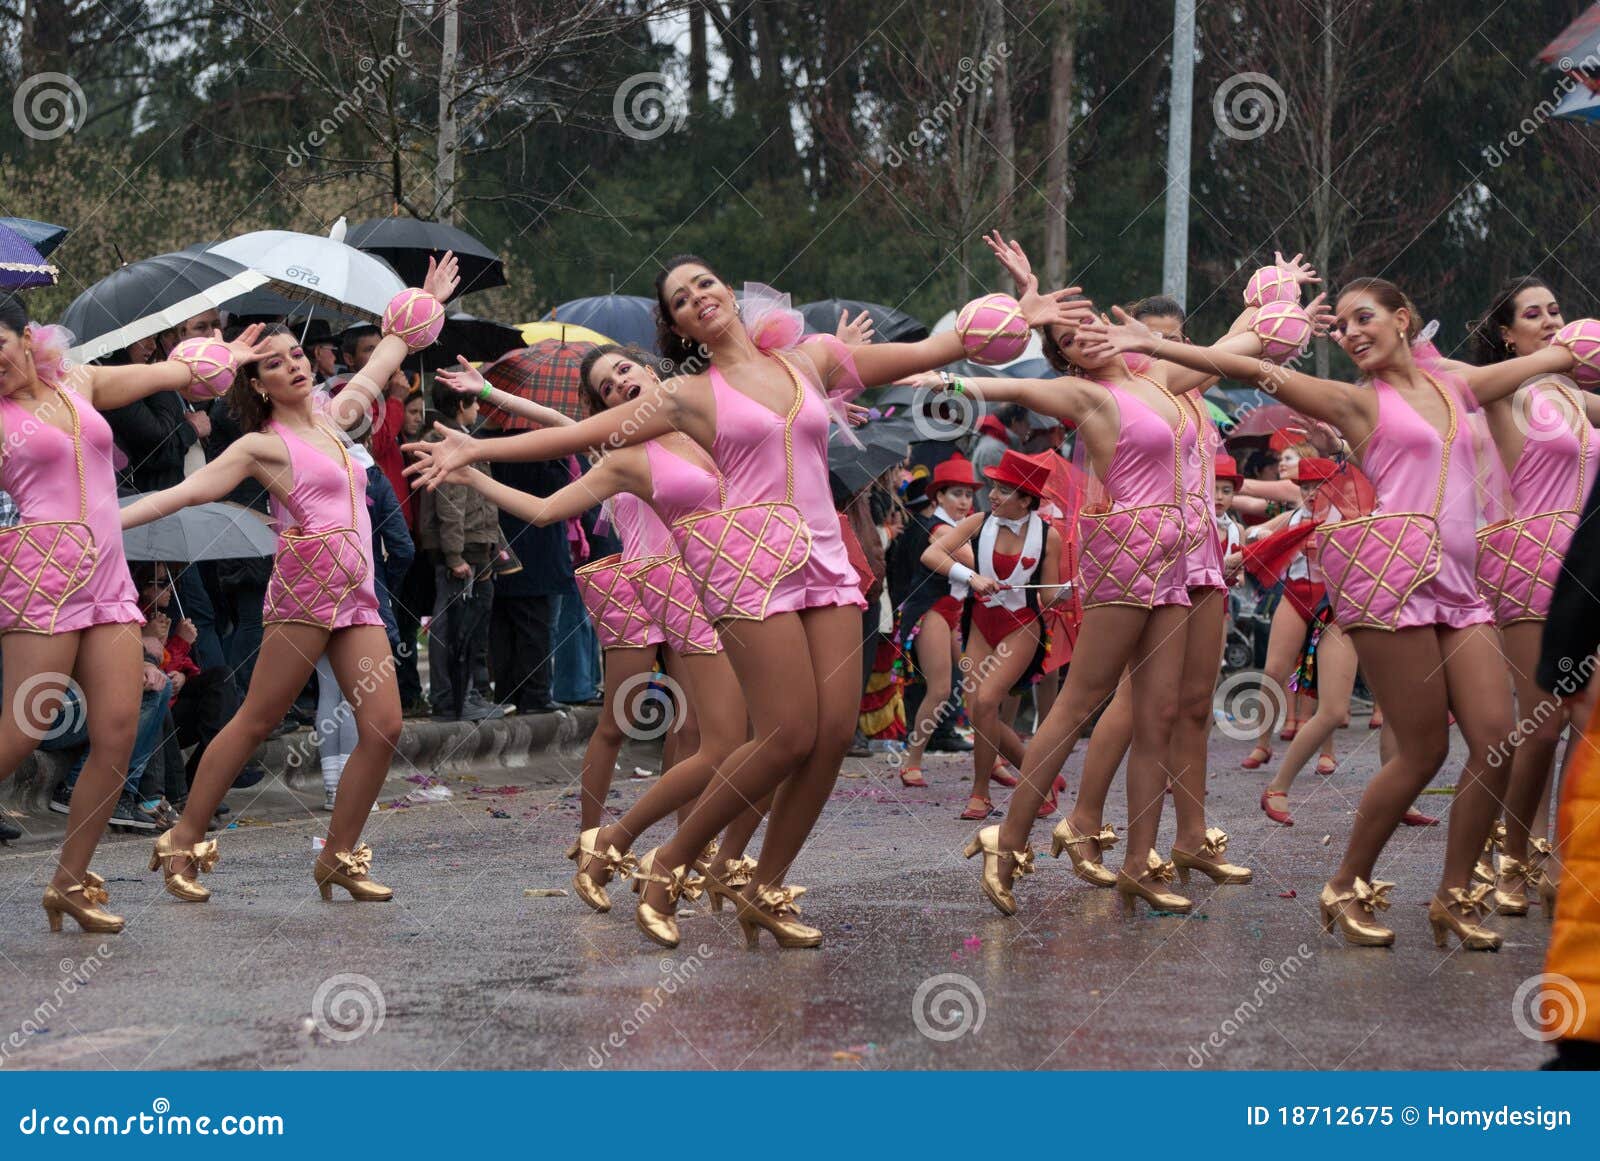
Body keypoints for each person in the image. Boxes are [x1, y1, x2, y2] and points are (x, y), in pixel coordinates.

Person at [406, 257, 1081, 948]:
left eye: (705, 283)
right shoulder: (688, 395)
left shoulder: (810, 359)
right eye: (680, 297)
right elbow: (577, 436)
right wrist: (472, 450)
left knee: (829, 738)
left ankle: (762, 885)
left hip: (825, 559)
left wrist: (1014, 323)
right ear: (673, 325)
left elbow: (929, 350)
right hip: (749, 565)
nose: (699, 296)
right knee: (785, 732)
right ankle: (665, 863)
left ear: (729, 293)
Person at [1081, 275, 1581, 949]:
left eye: (1364, 316)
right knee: (1426, 748)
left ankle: (1454, 893)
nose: (1351, 332)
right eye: (1343, 325)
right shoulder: (1353, 402)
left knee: (1495, 738)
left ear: (1403, 318)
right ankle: (1346, 880)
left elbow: (1547, 361)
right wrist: (1158, 345)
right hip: (1395, 585)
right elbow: (1254, 367)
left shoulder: (1458, 386)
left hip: (1462, 587)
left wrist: (1562, 346)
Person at [119, 253, 462, 906]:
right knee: (256, 719)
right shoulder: (263, 444)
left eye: (294, 354)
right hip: (305, 589)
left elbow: (388, 351)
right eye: (273, 363)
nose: (293, 363)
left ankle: (338, 855)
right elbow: (188, 493)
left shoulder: (338, 419)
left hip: (358, 591)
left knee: (384, 724)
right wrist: (107, 517)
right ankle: (183, 838)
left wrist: (425, 299)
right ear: (259, 385)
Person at [426, 347, 752, 916]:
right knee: (618, 720)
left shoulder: (693, 428)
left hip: (700, 580)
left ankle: (686, 847)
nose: (620, 383)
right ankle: (594, 842)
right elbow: (555, 432)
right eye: (605, 386)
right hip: (642, 583)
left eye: (625, 369)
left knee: (695, 724)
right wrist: (485, 400)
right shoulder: (617, 444)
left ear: (653, 372)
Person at [0, 293, 264, 931]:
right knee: (22, 728)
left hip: (107, 572)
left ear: (24, 337)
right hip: (38, 572)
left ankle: (69, 883)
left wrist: (224, 356)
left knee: (118, 732)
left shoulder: (80, 380)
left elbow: (176, 374)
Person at [1453, 276, 1596, 914]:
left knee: (1587, 719)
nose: (1549, 320)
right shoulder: (1503, 391)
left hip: (1586, 569)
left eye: (1556, 311)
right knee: (1542, 724)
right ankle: (1512, 852)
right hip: (1528, 561)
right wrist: (1559, 354)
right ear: (1507, 334)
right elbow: (1459, 382)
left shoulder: (1573, 396)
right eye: (1532, 314)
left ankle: (1563, 855)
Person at [921, 450, 1064, 821]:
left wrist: (1063, 592)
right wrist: (972, 577)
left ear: (1026, 499)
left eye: (1003, 490)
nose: (993, 496)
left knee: (985, 701)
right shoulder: (979, 522)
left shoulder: (1050, 537)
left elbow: (1046, 598)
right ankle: (1041, 780)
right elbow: (931, 555)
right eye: (995, 488)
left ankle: (980, 793)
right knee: (977, 710)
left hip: (1022, 625)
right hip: (980, 623)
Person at [416, 381, 510, 722]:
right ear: (461, 404)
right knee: (456, 629)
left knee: (468, 627)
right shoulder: (450, 441)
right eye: (474, 402)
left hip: (473, 545)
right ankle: (453, 699)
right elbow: (450, 503)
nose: (479, 409)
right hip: (463, 549)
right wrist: (455, 555)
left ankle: (464, 695)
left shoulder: (459, 437)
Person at [892, 453, 979, 790]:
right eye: (956, 493)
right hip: (929, 612)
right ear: (938, 496)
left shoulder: (955, 526)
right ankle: (911, 763)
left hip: (951, 614)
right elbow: (972, 561)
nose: (964, 501)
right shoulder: (940, 528)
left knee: (976, 683)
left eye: (969, 495)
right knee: (941, 688)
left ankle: (996, 759)